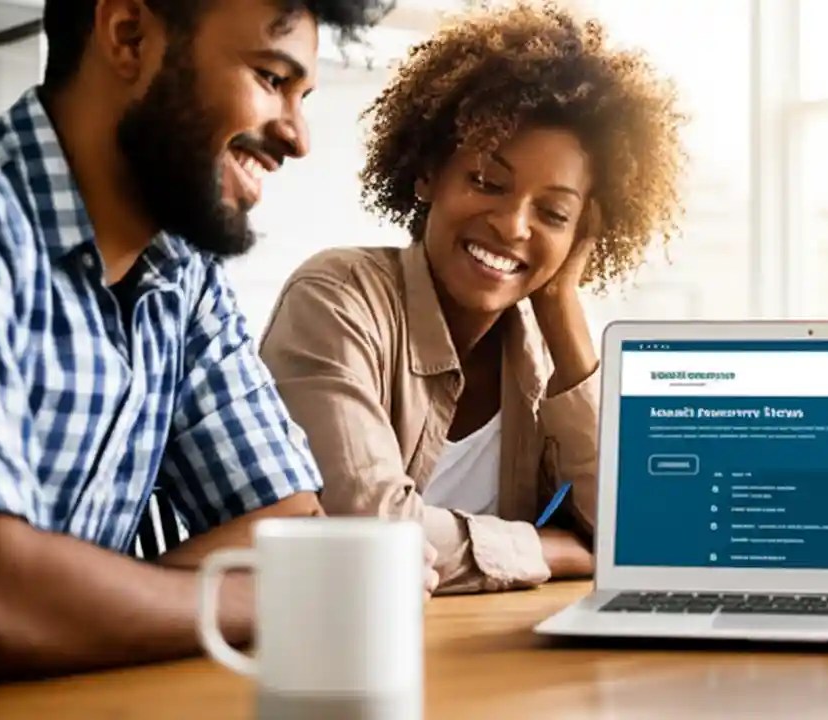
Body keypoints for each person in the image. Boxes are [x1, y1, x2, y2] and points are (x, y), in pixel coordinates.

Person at [0, 0, 432, 682]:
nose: (299, 136)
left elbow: (292, 531)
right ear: (129, 36)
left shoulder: (184, 270)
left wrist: (70, 603)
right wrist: (301, 597)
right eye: (271, 78)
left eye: (303, 94)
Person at [258, 2, 687, 594]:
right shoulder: (335, 299)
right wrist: (547, 549)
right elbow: (369, 532)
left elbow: (643, 532)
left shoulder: (541, 358)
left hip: (482, 658)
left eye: (553, 213)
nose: (513, 225)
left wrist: (563, 310)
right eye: (488, 182)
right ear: (429, 173)